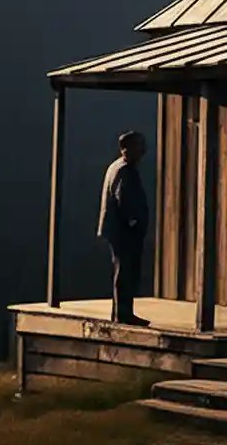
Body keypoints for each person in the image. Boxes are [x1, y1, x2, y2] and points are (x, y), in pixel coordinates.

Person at [97, 131, 151, 327]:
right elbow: (125, 200)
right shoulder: (125, 170)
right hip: (123, 231)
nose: (143, 150)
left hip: (117, 230)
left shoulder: (116, 167)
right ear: (126, 149)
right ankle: (123, 314)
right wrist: (134, 222)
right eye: (139, 146)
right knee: (126, 271)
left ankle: (121, 313)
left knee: (123, 271)